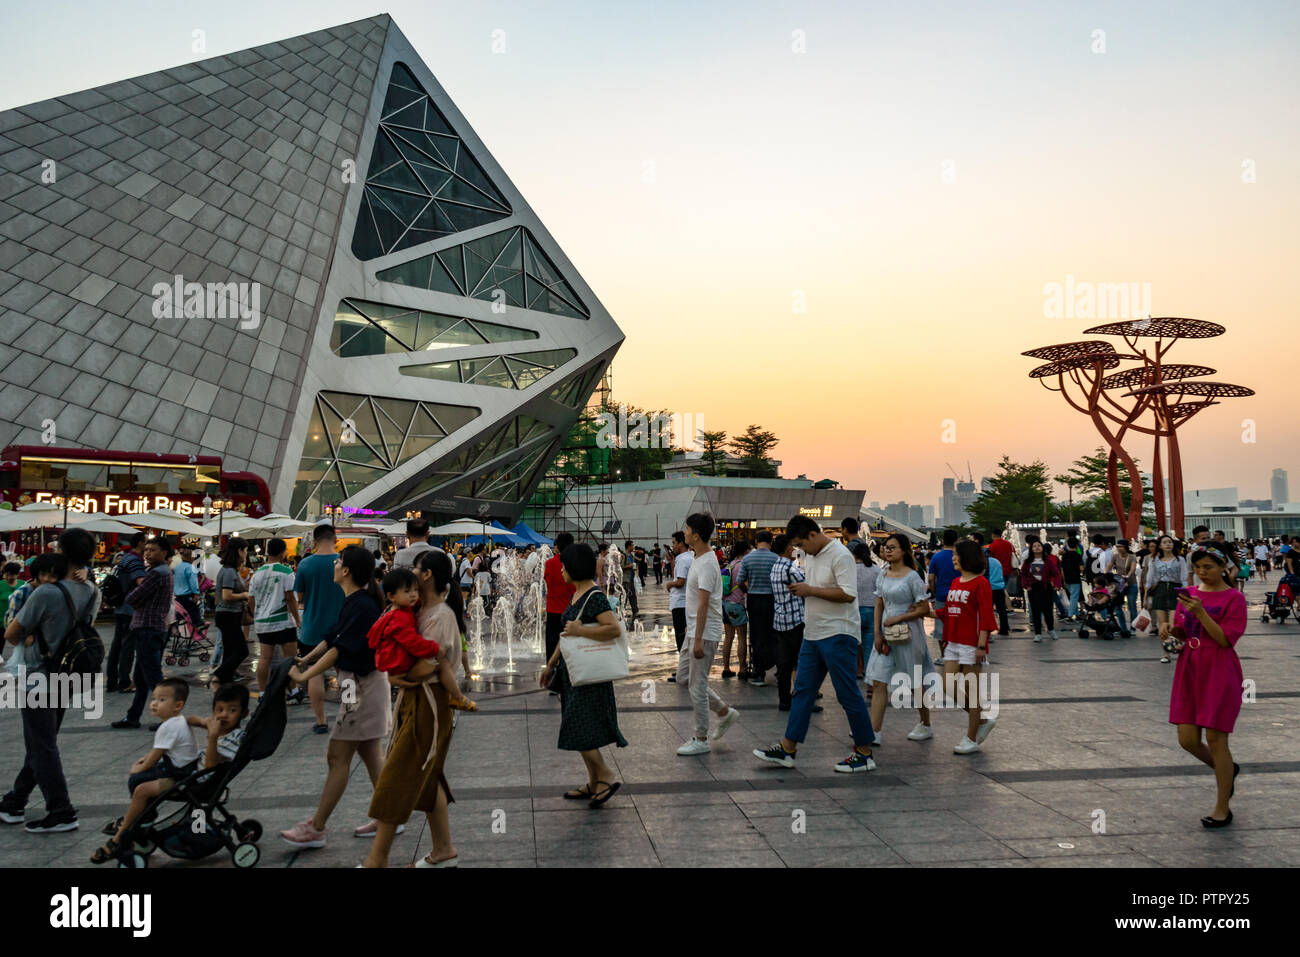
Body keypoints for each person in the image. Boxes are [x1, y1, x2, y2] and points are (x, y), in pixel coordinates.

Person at [282, 545, 391, 848]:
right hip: (359, 686)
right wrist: (305, 661)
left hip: (361, 689)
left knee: (337, 756)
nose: (335, 564)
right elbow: (332, 637)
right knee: (371, 755)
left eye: (339, 561)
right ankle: (390, 818)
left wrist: (304, 676)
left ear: (346, 571)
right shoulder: (356, 601)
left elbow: (340, 649)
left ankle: (316, 828)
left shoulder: (362, 605)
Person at [364, 550, 464, 867]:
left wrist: (396, 675)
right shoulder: (420, 610)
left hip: (431, 703)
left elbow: (427, 666)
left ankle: (377, 861)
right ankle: (443, 850)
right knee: (426, 776)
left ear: (427, 576)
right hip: (417, 700)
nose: (411, 575)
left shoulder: (440, 616)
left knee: (396, 777)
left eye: (416, 569)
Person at [753, 515, 876, 773]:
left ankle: (864, 753)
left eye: (801, 544)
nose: (800, 550)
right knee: (803, 692)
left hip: (839, 633)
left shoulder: (840, 555)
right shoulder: (811, 555)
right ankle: (788, 748)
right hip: (813, 634)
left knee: (847, 693)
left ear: (812, 534)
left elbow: (847, 593)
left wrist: (810, 590)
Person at [0, 528, 99, 833]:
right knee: (42, 742)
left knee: (42, 746)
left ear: (61, 553)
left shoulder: (46, 592)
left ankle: (62, 811)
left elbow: (11, 634)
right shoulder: (93, 591)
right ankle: (15, 801)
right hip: (69, 675)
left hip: (38, 677)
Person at [538, 543, 628, 806]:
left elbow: (613, 630)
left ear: (575, 567)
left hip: (589, 678)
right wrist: (551, 663)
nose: (562, 569)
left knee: (577, 728)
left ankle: (606, 776)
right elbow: (566, 634)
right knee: (579, 727)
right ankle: (593, 781)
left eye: (565, 565)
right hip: (572, 674)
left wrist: (582, 631)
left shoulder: (594, 596)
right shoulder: (576, 595)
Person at [1169, 544, 1246, 827]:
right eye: (1198, 567)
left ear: (1223, 567)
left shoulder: (1234, 599)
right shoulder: (1187, 595)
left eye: (1208, 567)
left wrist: (1202, 613)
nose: (1202, 572)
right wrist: (1171, 634)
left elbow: (1226, 640)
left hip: (1219, 669)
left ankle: (1222, 807)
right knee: (1187, 740)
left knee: (1216, 740)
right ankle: (1227, 771)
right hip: (1189, 667)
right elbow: (1182, 631)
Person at [92, 678, 199, 863]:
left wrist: (138, 767)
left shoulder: (168, 727)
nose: (155, 703)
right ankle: (142, 817)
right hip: (180, 769)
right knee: (139, 781)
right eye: (154, 698)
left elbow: (154, 758)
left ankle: (131, 828)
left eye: (162, 700)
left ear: (178, 705)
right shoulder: (176, 721)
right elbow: (160, 751)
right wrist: (145, 762)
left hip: (181, 778)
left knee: (139, 786)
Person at [675, 514, 740, 755]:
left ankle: (700, 738)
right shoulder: (698, 558)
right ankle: (724, 712)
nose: (684, 532)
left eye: (687, 528)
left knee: (697, 685)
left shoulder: (708, 563)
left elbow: (704, 604)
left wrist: (698, 638)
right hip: (693, 629)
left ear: (696, 535)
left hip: (705, 632)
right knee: (684, 677)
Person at [368, 567, 475, 710]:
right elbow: (413, 642)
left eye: (415, 590)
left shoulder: (397, 610)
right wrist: (435, 649)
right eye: (407, 591)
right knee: (441, 663)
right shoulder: (399, 618)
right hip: (396, 662)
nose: (413, 595)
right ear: (391, 596)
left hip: (390, 661)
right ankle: (458, 697)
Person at [868, 533, 935, 742]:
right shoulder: (883, 573)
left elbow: (924, 608)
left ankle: (925, 723)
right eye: (886, 547)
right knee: (879, 681)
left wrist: (900, 616)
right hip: (886, 633)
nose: (887, 550)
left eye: (893, 547)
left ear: (904, 551)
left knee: (915, 682)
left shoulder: (912, 577)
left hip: (908, 634)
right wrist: (877, 633)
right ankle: (874, 731)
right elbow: (879, 604)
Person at [112, 536, 177, 729]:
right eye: (146, 549)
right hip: (153, 627)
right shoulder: (163, 571)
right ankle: (133, 716)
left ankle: (171, 719)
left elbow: (133, 597)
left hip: (148, 628)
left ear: (164, 552)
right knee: (141, 678)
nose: (147, 553)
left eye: (153, 550)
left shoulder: (157, 573)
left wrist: (133, 595)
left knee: (154, 677)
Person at [940, 541, 996, 754]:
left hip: (972, 643)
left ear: (967, 557)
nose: (953, 558)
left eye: (956, 555)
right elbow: (949, 610)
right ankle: (982, 720)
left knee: (972, 692)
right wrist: (923, 612)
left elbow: (986, 616)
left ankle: (971, 737)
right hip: (953, 641)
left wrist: (981, 645)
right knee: (948, 685)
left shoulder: (981, 583)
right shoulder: (956, 581)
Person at [296, 524, 343, 733]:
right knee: (346, 674)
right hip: (342, 627)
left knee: (315, 673)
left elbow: (300, 597)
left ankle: (321, 720)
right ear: (335, 539)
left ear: (314, 541)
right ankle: (348, 716)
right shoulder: (343, 562)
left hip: (312, 628)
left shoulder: (305, 564)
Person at [249, 537, 300, 698]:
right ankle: (294, 690)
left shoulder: (257, 574)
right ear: (283, 552)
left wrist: (255, 614)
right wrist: (297, 619)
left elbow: (251, 599)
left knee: (264, 659)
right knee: (290, 658)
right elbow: (290, 597)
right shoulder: (286, 572)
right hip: (284, 622)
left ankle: (263, 692)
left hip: (263, 623)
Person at [770, 533, 815, 712]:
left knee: (783, 663)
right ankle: (804, 700)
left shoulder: (774, 567)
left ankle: (784, 700)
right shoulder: (791, 569)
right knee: (803, 662)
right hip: (796, 621)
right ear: (788, 548)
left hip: (780, 620)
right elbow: (807, 587)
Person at [735, 530, 780, 686]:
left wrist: (749, 589)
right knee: (773, 634)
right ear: (771, 542)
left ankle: (758, 673)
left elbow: (740, 581)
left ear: (756, 542)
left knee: (755, 635)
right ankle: (779, 670)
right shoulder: (776, 558)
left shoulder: (747, 559)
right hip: (772, 600)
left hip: (753, 599)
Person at [105, 532, 146, 693]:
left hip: (120, 606)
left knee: (116, 645)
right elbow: (141, 583)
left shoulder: (124, 558)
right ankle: (124, 681)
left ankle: (112, 680)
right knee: (128, 646)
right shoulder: (135, 561)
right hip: (130, 608)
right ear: (141, 543)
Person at [209, 540, 252, 690]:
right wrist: (244, 594)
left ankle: (225, 680)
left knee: (229, 650)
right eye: (245, 550)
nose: (246, 554)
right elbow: (226, 595)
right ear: (239, 551)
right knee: (241, 650)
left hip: (228, 615)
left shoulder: (230, 570)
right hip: (228, 615)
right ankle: (219, 675)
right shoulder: (228, 571)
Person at [543, 532, 576, 673]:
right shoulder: (575, 563)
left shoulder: (549, 563)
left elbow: (548, 583)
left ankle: (552, 675)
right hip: (571, 609)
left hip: (553, 609)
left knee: (552, 643)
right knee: (570, 643)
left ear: (557, 546)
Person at [664, 531, 692, 682]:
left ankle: (684, 671)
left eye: (674, 543)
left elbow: (680, 581)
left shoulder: (683, 559)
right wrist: (672, 561)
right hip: (686, 602)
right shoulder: (688, 557)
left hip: (680, 603)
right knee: (685, 638)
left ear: (681, 543)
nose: (673, 545)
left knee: (681, 638)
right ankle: (685, 669)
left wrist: (670, 584)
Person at [719, 540, 750, 679]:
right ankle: (742, 668)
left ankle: (726, 668)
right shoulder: (743, 565)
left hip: (725, 603)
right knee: (742, 636)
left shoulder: (730, 564)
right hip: (737, 604)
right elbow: (744, 584)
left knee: (728, 637)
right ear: (745, 551)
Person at [850, 541, 880, 680]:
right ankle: (870, 678)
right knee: (869, 648)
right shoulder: (876, 569)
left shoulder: (850, 569)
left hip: (853, 611)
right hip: (872, 611)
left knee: (855, 646)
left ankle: (857, 671)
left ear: (854, 554)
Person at [927, 530, 960, 653]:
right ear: (956, 540)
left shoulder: (936, 557)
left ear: (943, 541)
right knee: (958, 625)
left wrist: (935, 592)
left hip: (942, 595)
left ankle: (944, 656)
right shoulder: (959, 556)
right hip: (959, 596)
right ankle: (956, 653)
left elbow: (931, 579)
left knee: (941, 628)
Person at [173, 546, 202, 636]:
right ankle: (197, 634)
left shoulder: (177, 567)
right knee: (195, 619)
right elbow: (194, 583)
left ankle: (176, 629)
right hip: (188, 596)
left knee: (180, 617)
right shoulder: (191, 567)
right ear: (191, 557)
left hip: (177, 596)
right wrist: (196, 594)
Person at [1059, 536, 1084, 623]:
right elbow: (1081, 568)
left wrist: (1064, 580)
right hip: (1076, 579)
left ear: (1068, 545)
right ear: (1077, 545)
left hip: (1066, 579)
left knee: (1073, 597)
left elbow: (1062, 568)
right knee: (1074, 597)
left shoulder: (1064, 556)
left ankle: (1077, 615)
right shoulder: (1078, 555)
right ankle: (1070, 616)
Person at [621, 539, 639, 616]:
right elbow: (621, 567)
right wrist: (630, 566)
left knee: (633, 596)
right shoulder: (624, 556)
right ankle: (622, 611)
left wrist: (634, 568)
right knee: (625, 596)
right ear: (628, 546)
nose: (633, 547)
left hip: (631, 579)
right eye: (632, 545)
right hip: (626, 580)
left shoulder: (631, 555)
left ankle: (635, 611)